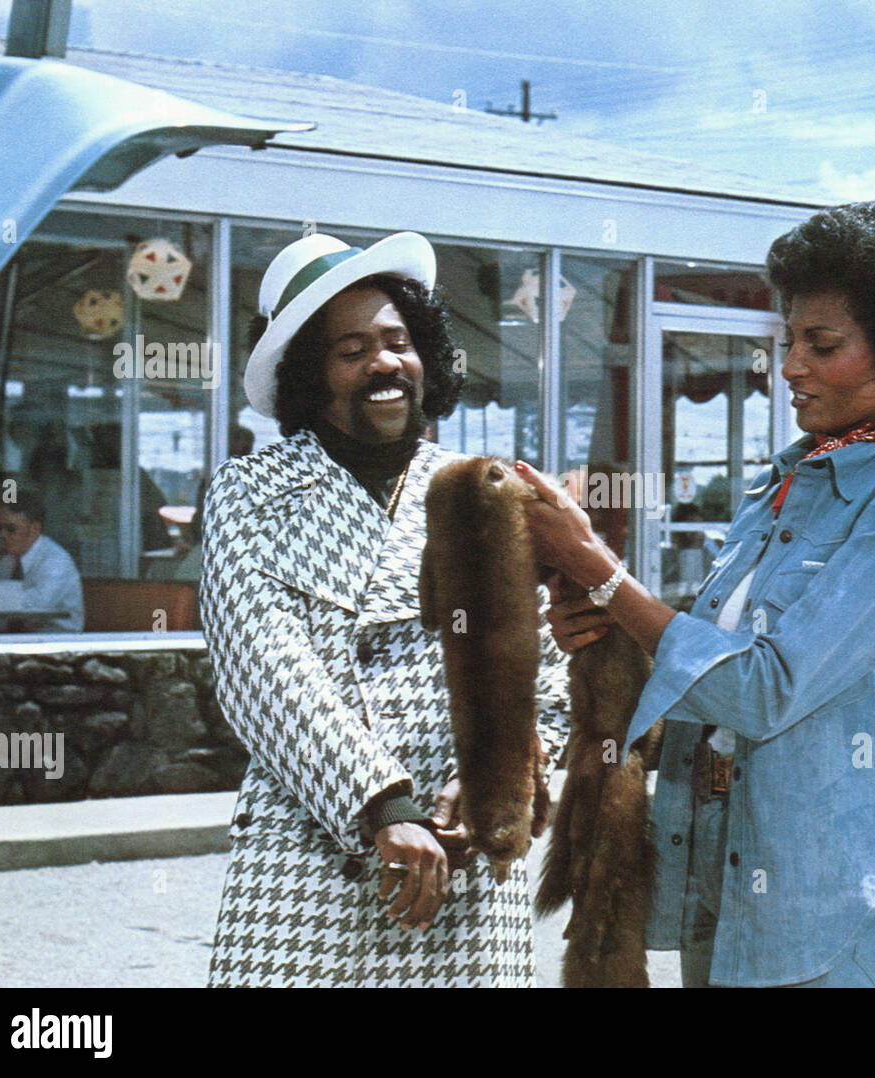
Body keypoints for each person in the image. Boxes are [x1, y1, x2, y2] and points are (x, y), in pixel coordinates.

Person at [519, 200, 875, 988]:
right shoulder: (783, 486)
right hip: (717, 865)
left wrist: (601, 570)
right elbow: (703, 678)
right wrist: (607, 631)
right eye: (788, 341)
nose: (791, 366)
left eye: (821, 344)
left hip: (816, 900)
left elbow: (764, 689)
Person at [201, 231, 567, 987]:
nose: (383, 364)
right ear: (312, 375)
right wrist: (383, 806)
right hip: (312, 855)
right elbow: (262, 668)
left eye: (398, 341)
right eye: (351, 349)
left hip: (465, 868)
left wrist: (505, 772)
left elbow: (553, 671)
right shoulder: (249, 494)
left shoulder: (484, 491)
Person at [0, 486, 84, 632]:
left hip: (55, 642)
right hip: (17, 640)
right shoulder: (7, 561)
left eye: (11, 529)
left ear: (34, 529)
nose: (2, 535)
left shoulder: (56, 561)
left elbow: (35, 608)